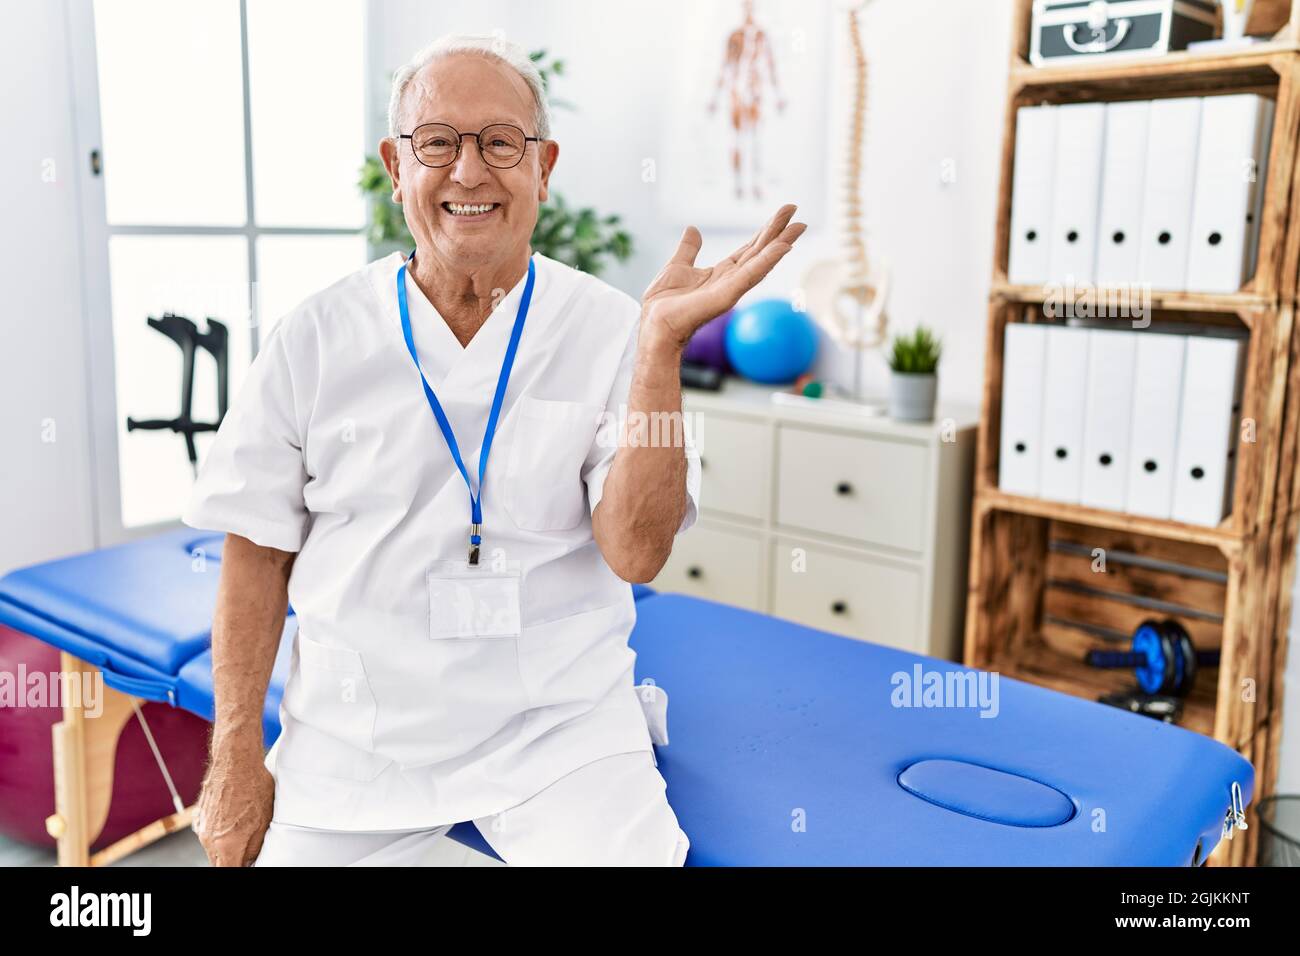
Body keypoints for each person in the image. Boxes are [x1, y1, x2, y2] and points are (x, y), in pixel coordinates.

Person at [182, 32, 805, 867]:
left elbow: (638, 552)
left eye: (501, 143)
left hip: (560, 733)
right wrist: (234, 754)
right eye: (437, 142)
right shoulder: (314, 337)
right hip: (356, 738)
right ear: (396, 166)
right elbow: (257, 551)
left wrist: (660, 348)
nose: (469, 172)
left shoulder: (612, 327)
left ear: (543, 167)